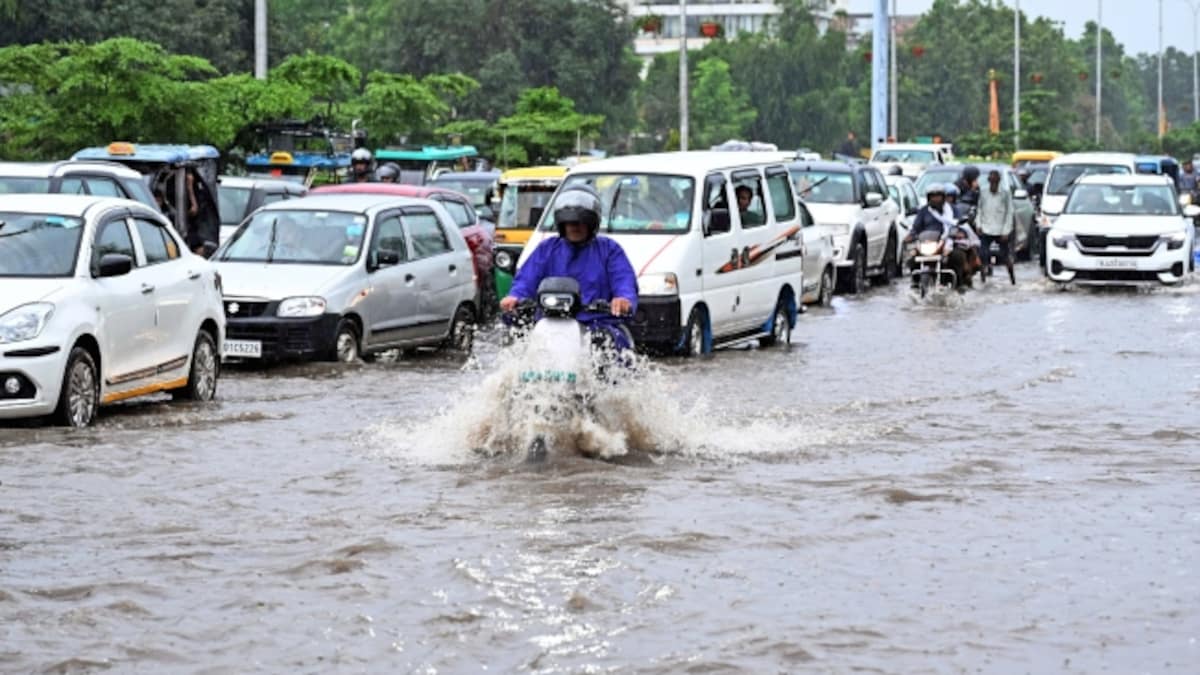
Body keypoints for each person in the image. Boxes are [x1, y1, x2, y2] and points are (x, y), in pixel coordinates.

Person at [500, 186, 638, 350]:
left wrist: (623, 299)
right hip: (550, 320)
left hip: (596, 323)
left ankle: (611, 375)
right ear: (561, 224)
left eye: (580, 222)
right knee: (520, 342)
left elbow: (624, 280)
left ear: (591, 223)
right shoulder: (547, 248)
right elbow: (527, 279)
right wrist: (515, 297)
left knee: (608, 346)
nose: (575, 227)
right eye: (570, 223)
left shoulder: (609, 250)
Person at [905, 183, 969, 290]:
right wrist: (911, 236)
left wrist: (958, 233)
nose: (935, 199)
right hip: (927, 243)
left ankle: (959, 283)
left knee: (957, 256)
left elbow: (959, 224)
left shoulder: (952, 210)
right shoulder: (924, 211)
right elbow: (916, 228)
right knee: (912, 259)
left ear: (943, 197)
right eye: (932, 196)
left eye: (938, 196)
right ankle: (915, 281)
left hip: (948, 243)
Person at [977, 169, 1016, 284]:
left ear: (999, 182)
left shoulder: (1005, 193)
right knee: (983, 254)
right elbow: (980, 209)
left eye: (995, 182)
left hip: (1000, 229)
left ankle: (1012, 279)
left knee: (1005, 256)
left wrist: (1006, 231)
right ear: (989, 181)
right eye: (991, 182)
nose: (993, 185)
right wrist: (979, 224)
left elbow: (1009, 212)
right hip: (986, 228)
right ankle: (983, 278)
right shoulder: (983, 192)